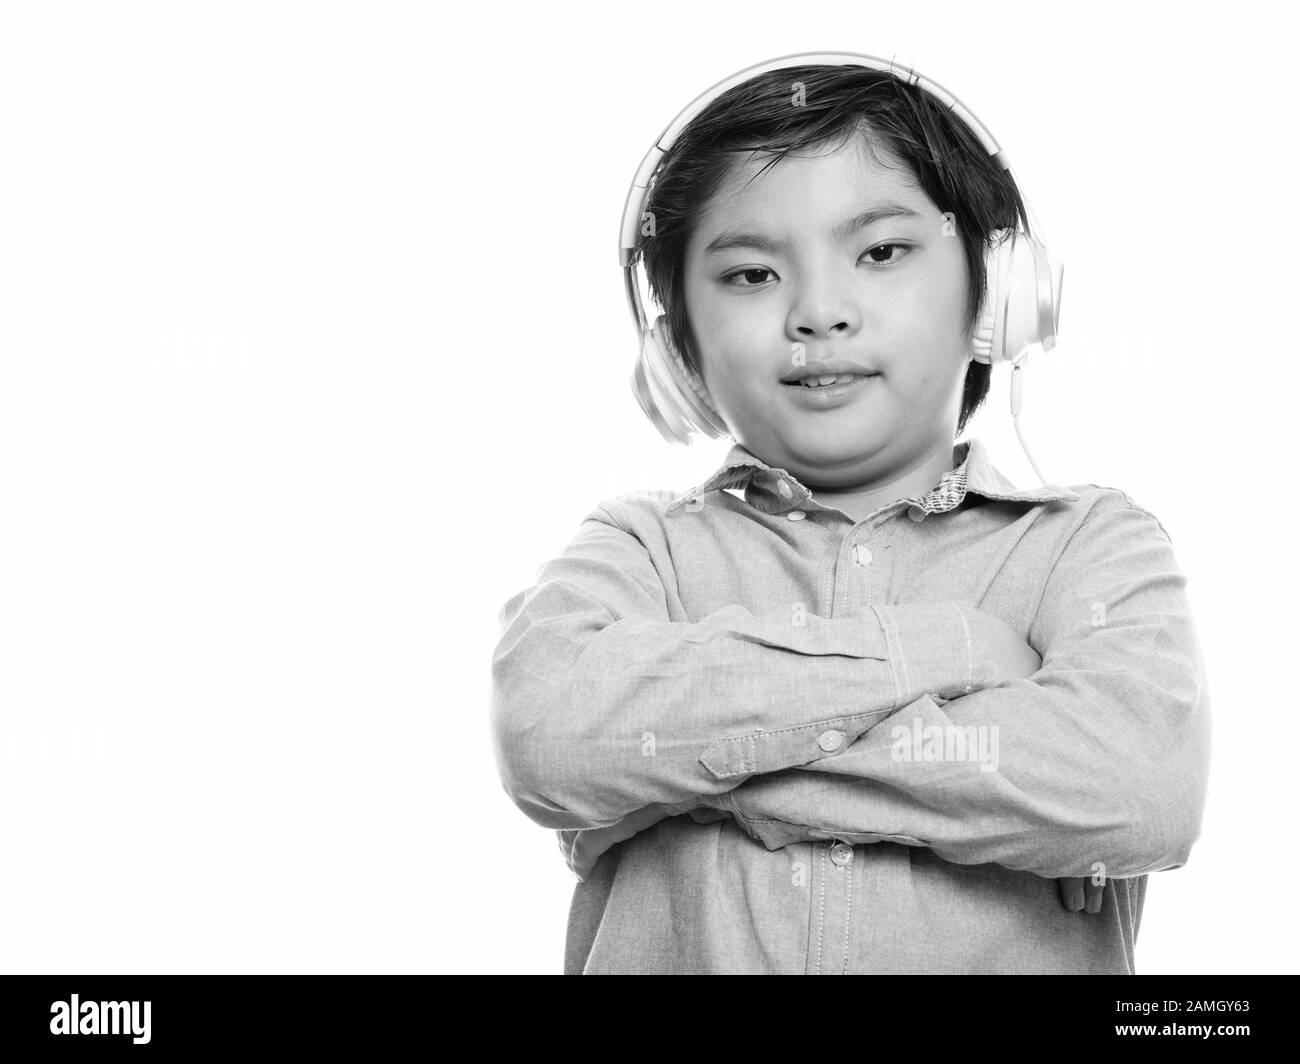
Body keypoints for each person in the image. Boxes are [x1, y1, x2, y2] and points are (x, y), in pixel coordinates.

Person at [489, 59, 1211, 974]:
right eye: (750, 273)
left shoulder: (1090, 546)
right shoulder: (639, 548)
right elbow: (551, 735)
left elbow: (1136, 790)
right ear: (678, 342)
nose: (819, 312)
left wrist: (686, 780)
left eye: (879, 253)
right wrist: (948, 654)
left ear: (996, 293)